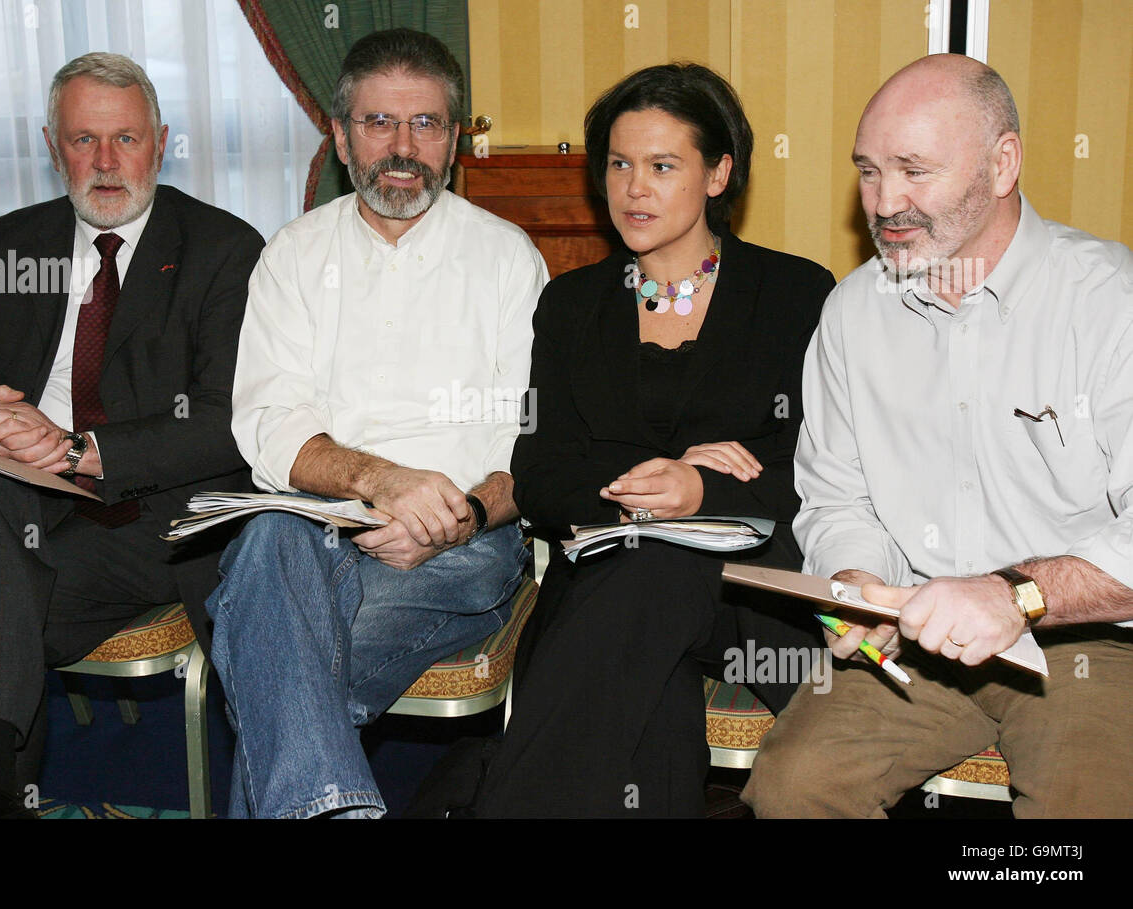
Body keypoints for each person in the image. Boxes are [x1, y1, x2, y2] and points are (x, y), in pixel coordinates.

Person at [742, 54, 1133, 818]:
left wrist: (1014, 594)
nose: (886, 202)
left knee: (1089, 806)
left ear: (1002, 163)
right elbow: (835, 495)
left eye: (914, 170)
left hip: (1088, 643)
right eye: (868, 171)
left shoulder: (1109, 303)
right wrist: (854, 584)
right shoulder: (853, 315)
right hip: (912, 640)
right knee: (794, 785)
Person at [466, 63, 835, 818]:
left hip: (755, 597)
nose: (635, 188)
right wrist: (666, 475)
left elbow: (822, 471)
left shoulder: (796, 294)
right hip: (611, 589)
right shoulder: (571, 306)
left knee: (651, 573)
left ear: (719, 172)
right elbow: (537, 478)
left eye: (663, 166)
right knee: (650, 618)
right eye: (620, 164)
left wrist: (705, 489)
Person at [0, 52, 264, 818]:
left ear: (160, 141)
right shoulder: (15, 242)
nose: (105, 163)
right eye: (82, 141)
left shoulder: (224, 249)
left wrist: (78, 449)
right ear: (50, 143)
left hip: (149, 516)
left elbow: (228, 425)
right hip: (18, 501)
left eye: (125, 140)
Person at [210, 28, 547, 818]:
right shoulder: (292, 256)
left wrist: (454, 515)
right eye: (377, 123)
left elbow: (533, 443)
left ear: (455, 138)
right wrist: (379, 481)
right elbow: (265, 423)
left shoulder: (507, 260)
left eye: (426, 124)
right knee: (270, 544)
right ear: (338, 134)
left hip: (465, 545)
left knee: (260, 645)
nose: (403, 147)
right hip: (313, 529)